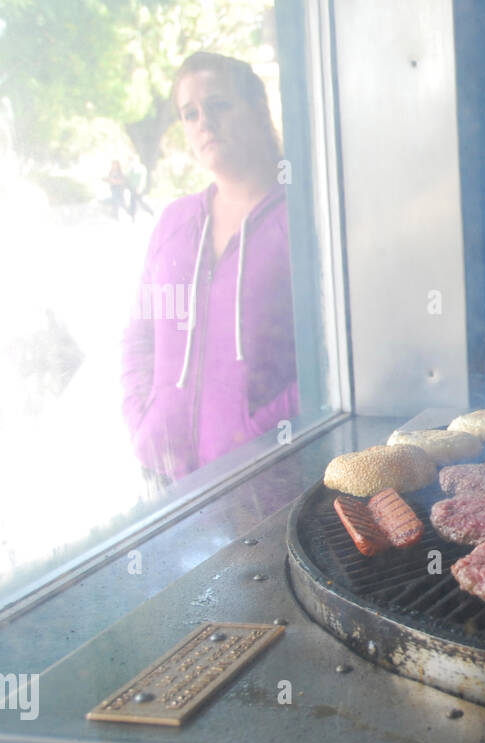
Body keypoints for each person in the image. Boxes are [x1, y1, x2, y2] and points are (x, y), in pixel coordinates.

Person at [120, 52, 297, 484]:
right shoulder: (175, 222)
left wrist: (260, 435)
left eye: (218, 105)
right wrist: (145, 423)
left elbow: (330, 357)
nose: (204, 122)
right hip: (165, 481)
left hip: (266, 482)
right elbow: (140, 332)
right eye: (190, 113)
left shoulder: (302, 220)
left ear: (257, 109)